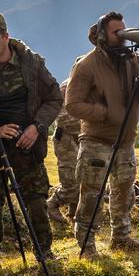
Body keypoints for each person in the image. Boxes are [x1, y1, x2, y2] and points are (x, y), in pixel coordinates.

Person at [0, 10, 62, 271]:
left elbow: (54, 98)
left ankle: (45, 254)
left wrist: (37, 127)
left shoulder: (31, 64)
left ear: (5, 36)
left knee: (37, 201)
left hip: (26, 147)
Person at [66, 11, 139, 257]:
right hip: (97, 142)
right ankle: (87, 244)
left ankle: (121, 238)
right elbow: (72, 105)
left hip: (126, 142)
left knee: (124, 194)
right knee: (92, 197)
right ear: (103, 35)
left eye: (124, 31)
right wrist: (103, 112)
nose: (122, 36)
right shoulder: (87, 65)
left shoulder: (130, 61)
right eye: (117, 32)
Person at [45, 78, 81, 228]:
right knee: (71, 182)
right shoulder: (67, 87)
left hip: (80, 138)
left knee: (83, 178)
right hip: (66, 139)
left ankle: (73, 213)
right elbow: (63, 117)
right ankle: (52, 204)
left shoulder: (91, 84)